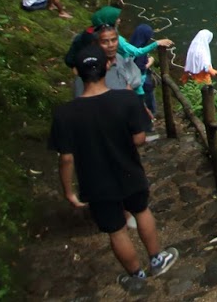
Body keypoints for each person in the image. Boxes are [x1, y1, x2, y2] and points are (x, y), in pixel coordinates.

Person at [49, 51, 179, 286]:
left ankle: (136, 276)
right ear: (108, 66)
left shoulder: (64, 114)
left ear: (76, 72)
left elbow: (66, 158)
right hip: (128, 169)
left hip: (94, 180)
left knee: (116, 230)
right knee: (141, 211)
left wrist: (69, 192)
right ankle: (157, 260)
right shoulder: (126, 99)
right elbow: (139, 139)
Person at [73, 24, 146, 97]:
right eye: (105, 42)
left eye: (114, 40)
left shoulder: (119, 58)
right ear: (96, 43)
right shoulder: (90, 67)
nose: (111, 45)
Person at [130, 23, 159, 116]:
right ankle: (151, 116)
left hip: (132, 79)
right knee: (148, 102)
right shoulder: (140, 52)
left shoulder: (130, 46)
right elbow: (141, 68)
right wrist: (150, 61)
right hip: (142, 82)